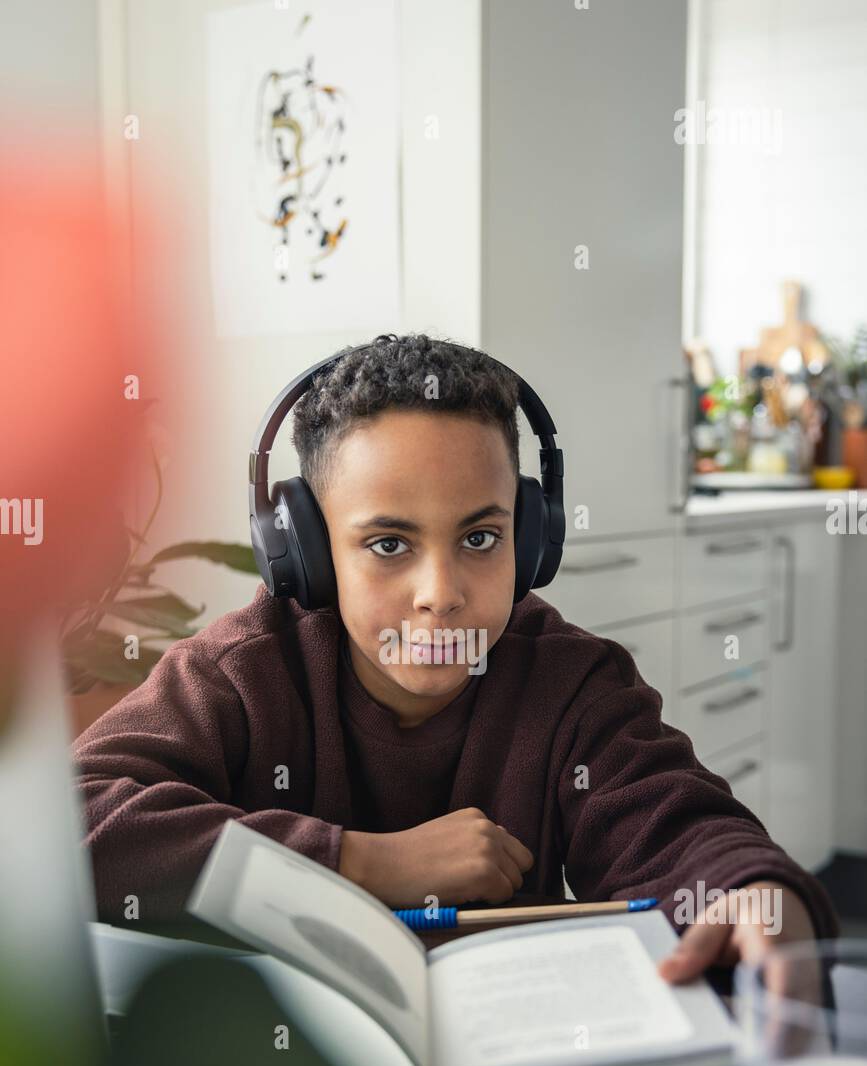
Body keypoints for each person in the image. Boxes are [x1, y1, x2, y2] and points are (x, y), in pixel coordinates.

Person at [71, 333, 838, 993]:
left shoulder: (570, 684)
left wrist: (753, 890)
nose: (440, 596)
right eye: (387, 545)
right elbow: (67, 820)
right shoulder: (243, 672)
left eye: (479, 539)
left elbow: (674, 825)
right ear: (305, 551)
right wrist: (360, 863)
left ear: (530, 539)